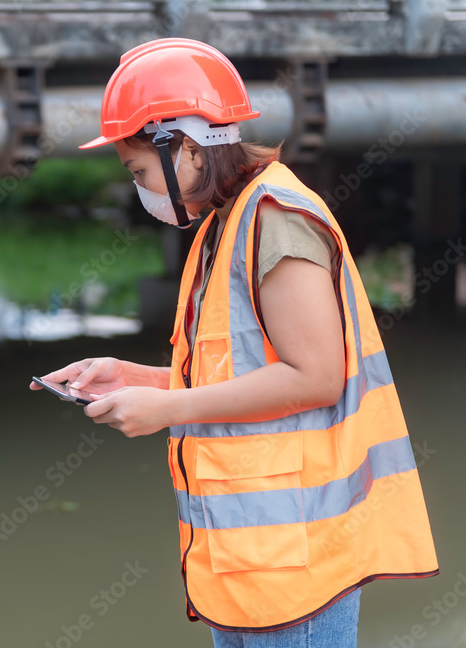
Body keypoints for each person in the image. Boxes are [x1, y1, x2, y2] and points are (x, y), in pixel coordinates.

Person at [28, 38, 439, 647]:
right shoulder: (229, 220)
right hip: (251, 560)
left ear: (186, 148)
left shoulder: (275, 217)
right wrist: (133, 377)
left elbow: (315, 377)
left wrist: (166, 409)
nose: (139, 186)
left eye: (139, 170)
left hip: (300, 565)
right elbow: (243, 373)